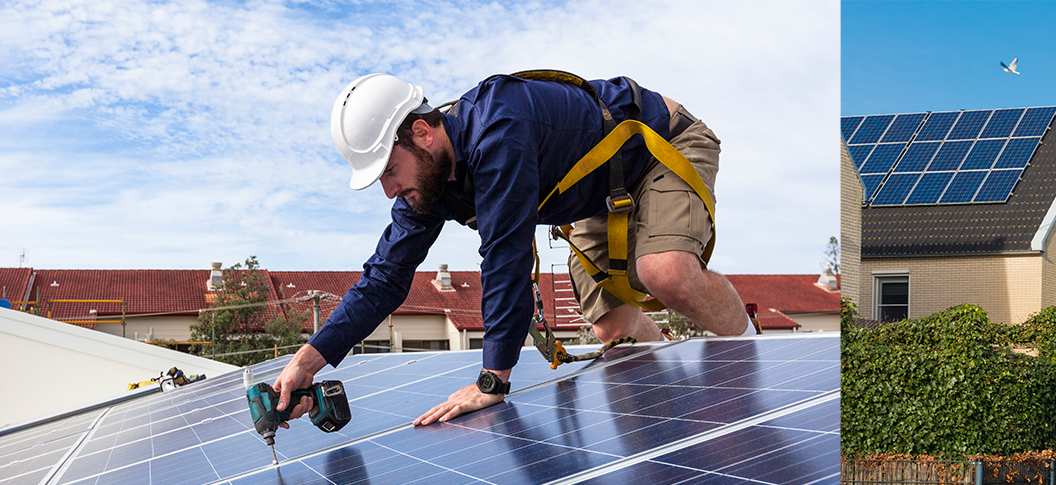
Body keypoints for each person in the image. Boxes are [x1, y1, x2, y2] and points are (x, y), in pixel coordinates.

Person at [274, 72, 751, 428]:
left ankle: (761, 370)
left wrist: (493, 379)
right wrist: (305, 363)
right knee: (612, 324)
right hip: (596, 194)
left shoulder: (499, 127)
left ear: (422, 132)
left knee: (663, 272)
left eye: (389, 170)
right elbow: (383, 280)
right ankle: (673, 422)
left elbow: (506, 257)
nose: (388, 190)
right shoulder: (427, 181)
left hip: (659, 146)